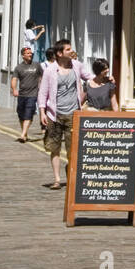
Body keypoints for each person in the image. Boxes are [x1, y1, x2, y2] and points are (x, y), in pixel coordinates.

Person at [37, 39, 94, 189]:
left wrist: (106, 79)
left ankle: (71, 172)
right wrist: (42, 112)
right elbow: (43, 93)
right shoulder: (50, 70)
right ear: (59, 53)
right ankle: (57, 179)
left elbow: (90, 78)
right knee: (54, 148)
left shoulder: (77, 66)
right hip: (54, 114)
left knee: (73, 149)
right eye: (68, 49)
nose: (71, 51)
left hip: (73, 114)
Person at [10, 47, 43, 141]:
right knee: (21, 115)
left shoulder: (37, 65)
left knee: (28, 114)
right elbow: (14, 79)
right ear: (23, 55)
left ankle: (22, 135)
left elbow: (43, 76)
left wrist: (42, 87)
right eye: (28, 53)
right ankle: (25, 134)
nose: (30, 54)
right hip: (22, 95)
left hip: (33, 94)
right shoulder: (19, 67)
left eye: (30, 53)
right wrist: (14, 89)